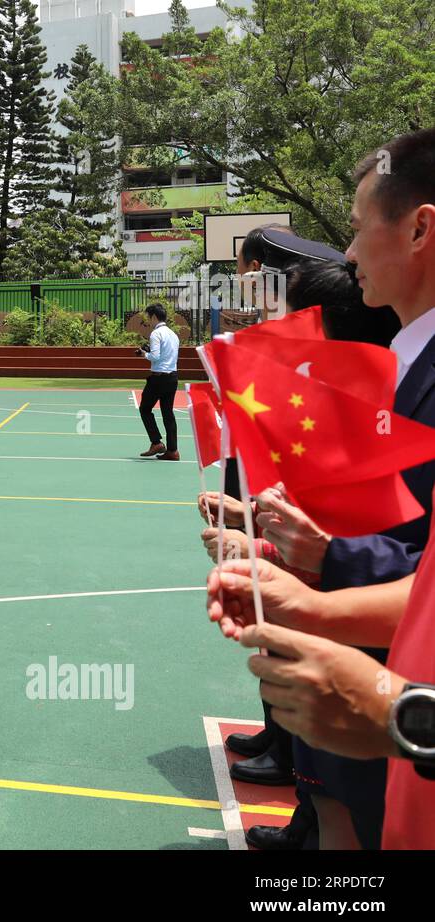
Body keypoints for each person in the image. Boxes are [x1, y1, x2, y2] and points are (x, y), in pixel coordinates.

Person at [206, 126, 435, 848]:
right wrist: (308, 580)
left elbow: (414, 554)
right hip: (391, 689)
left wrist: (329, 572)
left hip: (397, 697)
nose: (350, 253)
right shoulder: (411, 366)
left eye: (363, 228)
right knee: (340, 815)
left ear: (421, 228)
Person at [136, 304, 180, 461]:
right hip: (172, 377)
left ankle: (156, 442)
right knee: (168, 414)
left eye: (149, 317)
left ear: (154, 317)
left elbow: (155, 356)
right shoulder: (173, 335)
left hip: (158, 377)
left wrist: (144, 354)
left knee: (145, 409)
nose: (149, 320)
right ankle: (173, 450)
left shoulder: (156, 334)